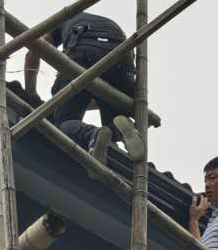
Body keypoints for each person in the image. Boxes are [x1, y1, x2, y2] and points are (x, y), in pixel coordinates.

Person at [23, 10, 136, 149]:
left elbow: (33, 52)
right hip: (123, 65)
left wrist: (30, 93)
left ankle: (92, 134)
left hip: (86, 50)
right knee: (113, 121)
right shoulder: (103, 23)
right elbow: (95, 95)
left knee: (64, 122)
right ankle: (122, 127)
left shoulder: (63, 20)